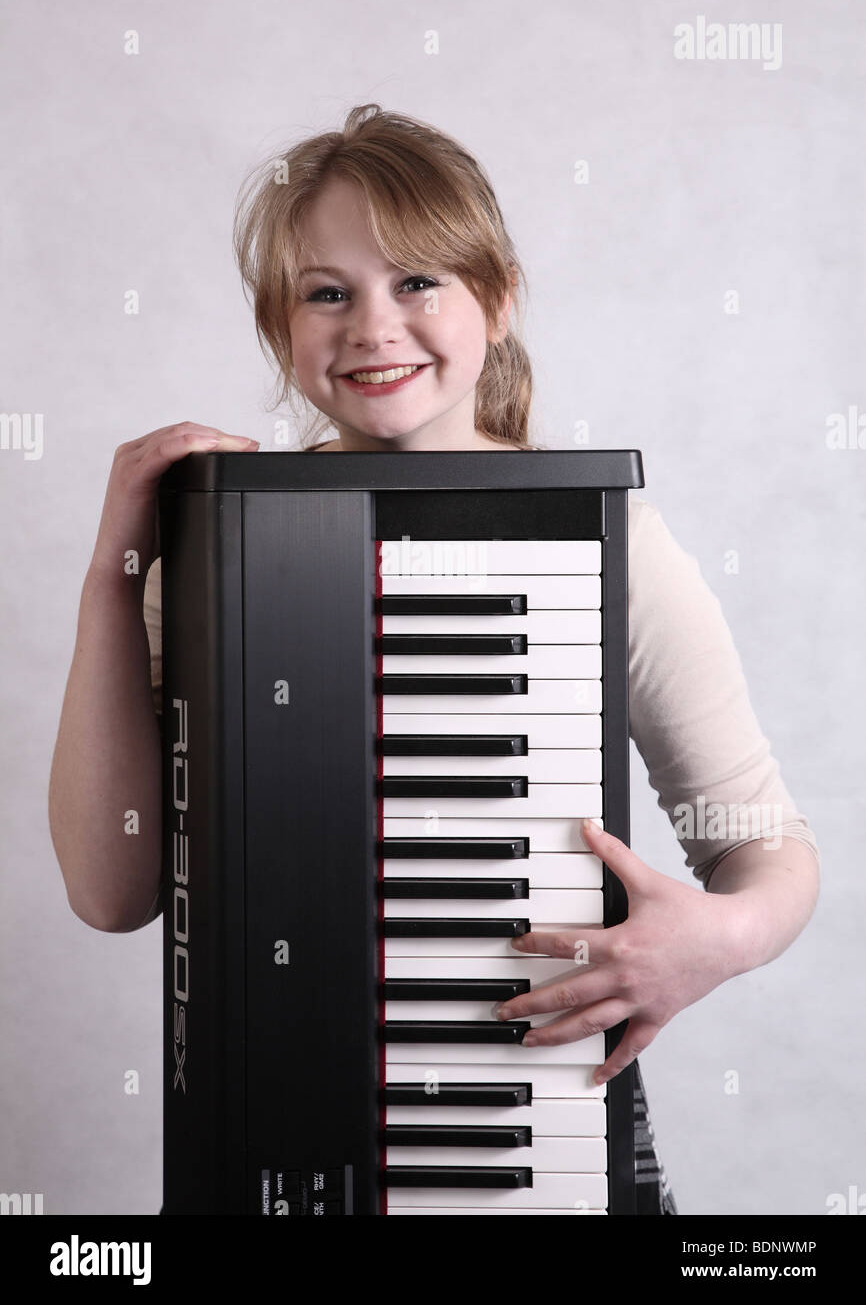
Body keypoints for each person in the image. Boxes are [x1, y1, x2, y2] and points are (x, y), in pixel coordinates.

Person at [48, 104, 820, 1216]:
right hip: (266, 1134)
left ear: (495, 299)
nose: (374, 325)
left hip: (536, 1131)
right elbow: (110, 890)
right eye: (326, 292)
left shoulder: (615, 544)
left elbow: (761, 842)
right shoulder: (210, 547)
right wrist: (116, 564)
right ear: (280, 330)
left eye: (417, 281)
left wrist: (720, 936)